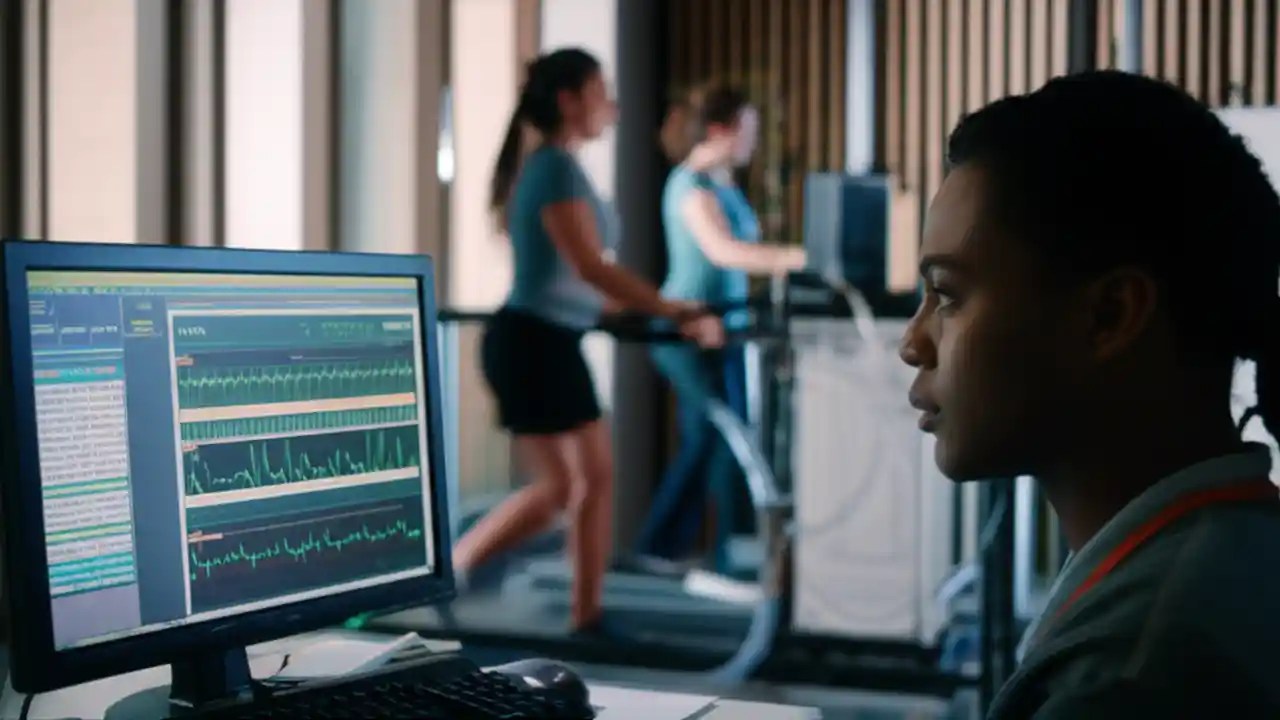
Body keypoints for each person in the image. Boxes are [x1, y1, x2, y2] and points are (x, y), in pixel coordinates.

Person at [900, 70, 1280, 716]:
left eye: (949, 295)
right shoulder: (1233, 554)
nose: (914, 342)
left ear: (1108, 316)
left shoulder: (1130, 675)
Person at [450, 48, 723, 635]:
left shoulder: (560, 166)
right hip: (532, 342)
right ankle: (467, 572)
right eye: (600, 90)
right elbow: (589, 267)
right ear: (570, 100)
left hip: (549, 339)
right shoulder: (552, 167)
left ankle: (583, 611)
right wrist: (670, 306)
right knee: (569, 485)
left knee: (581, 482)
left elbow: (584, 282)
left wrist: (657, 313)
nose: (612, 104)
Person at [632, 86, 805, 576]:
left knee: (722, 440)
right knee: (718, 438)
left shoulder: (723, 183)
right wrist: (801, 258)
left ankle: (704, 553)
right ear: (719, 130)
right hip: (684, 330)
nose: (753, 139)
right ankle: (660, 550)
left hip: (723, 330)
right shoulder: (689, 185)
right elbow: (723, 251)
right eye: (747, 128)